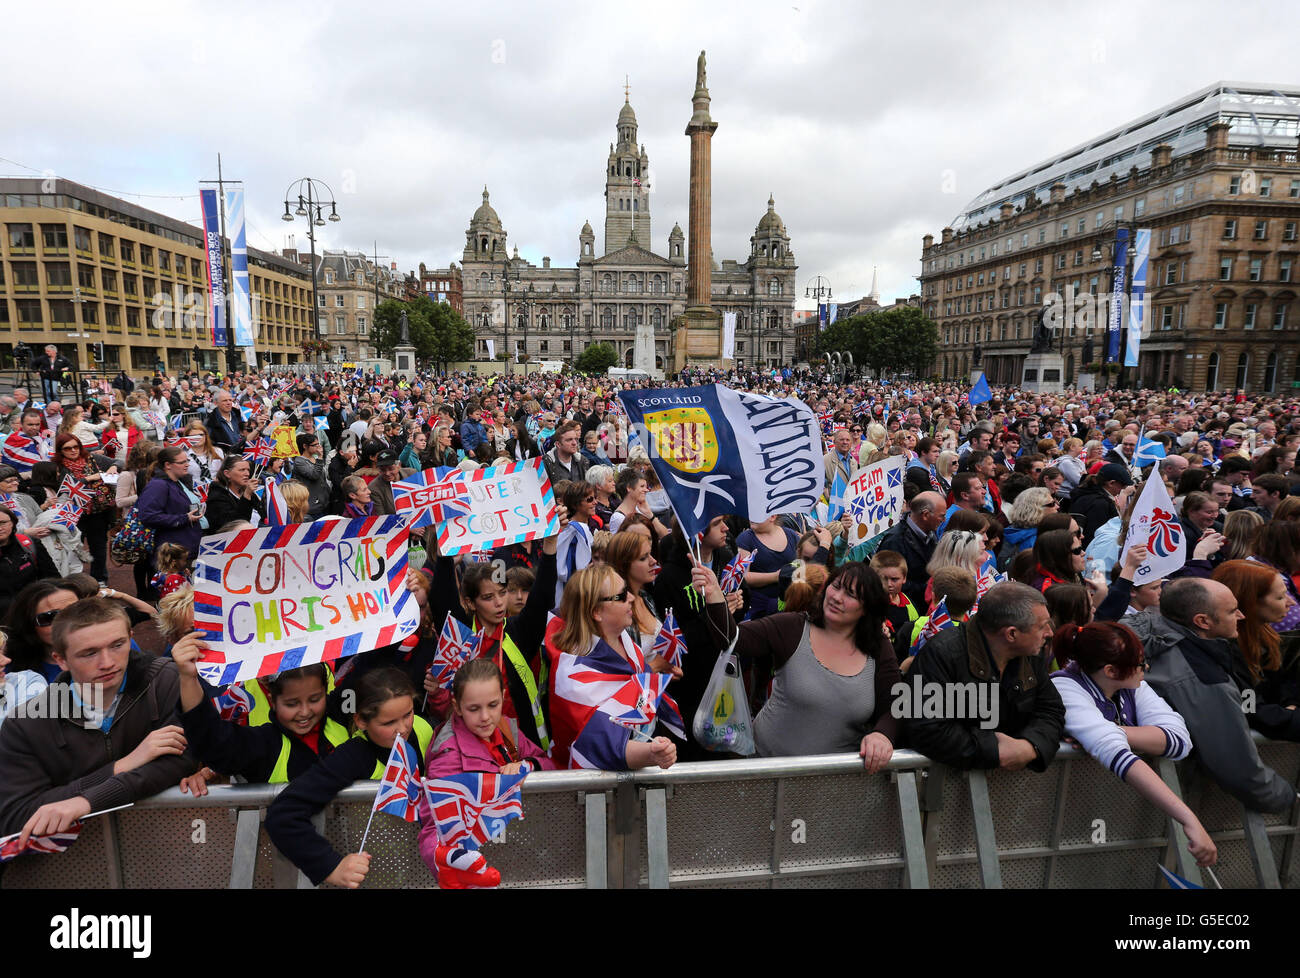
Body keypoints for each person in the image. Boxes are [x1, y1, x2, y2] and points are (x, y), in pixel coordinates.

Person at [0, 598, 197, 840]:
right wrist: (121, 767)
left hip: (170, 844)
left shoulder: (165, 679)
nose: (107, 663)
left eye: (117, 645)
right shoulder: (25, 723)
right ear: (61, 660)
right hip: (79, 864)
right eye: (89, 653)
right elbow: (17, 815)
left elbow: (179, 761)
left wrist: (84, 802)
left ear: (131, 637)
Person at [688, 559, 900, 767]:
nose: (837, 597)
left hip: (835, 783)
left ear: (867, 608)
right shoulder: (793, 627)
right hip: (766, 772)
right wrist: (714, 593)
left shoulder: (879, 647)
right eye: (836, 587)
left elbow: (894, 705)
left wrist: (882, 735)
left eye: (850, 594)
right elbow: (731, 639)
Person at [1123, 578, 1297, 813]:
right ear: (1202, 621)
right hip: (1142, 810)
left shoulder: (1143, 632)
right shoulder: (1199, 679)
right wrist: (1286, 797)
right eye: (1232, 611)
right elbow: (1235, 767)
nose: (1241, 616)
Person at [1049, 622, 1215, 867]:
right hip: (1057, 819)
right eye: (1139, 664)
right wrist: (1189, 819)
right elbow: (1116, 753)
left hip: (1112, 816)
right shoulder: (1064, 686)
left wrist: (1113, 730)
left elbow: (1180, 741)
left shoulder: (1132, 686)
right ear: (1111, 671)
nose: (1145, 668)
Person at [265, 668, 434, 888]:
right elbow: (283, 813)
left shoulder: (424, 728)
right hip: (374, 876)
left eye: (408, 714)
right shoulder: (353, 756)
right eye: (388, 723)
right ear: (361, 721)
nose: (403, 728)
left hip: (424, 869)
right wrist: (331, 866)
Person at [415, 658, 556, 888]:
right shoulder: (448, 754)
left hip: (519, 855)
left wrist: (527, 766)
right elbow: (434, 826)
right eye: (474, 708)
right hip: (480, 866)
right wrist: (451, 865)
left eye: (493, 704)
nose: (485, 717)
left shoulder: (507, 727)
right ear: (457, 706)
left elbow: (549, 765)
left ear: (502, 696)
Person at [906, 582, 1064, 772]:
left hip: (1008, 790)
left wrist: (1030, 747)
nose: (1049, 633)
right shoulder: (942, 654)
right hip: (946, 789)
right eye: (1042, 627)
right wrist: (994, 750)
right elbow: (927, 729)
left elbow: (1051, 710)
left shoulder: (1030, 655)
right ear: (1011, 634)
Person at [548, 564, 680, 770]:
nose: (632, 598)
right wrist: (652, 753)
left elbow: (641, 696)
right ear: (597, 612)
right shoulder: (573, 675)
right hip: (588, 792)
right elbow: (601, 746)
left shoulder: (628, 644)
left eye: (627, 590)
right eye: (620, 596)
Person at [1212, 560, 1300, 742]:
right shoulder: (1226, 651)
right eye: (1280, 597)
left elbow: (1279, 681)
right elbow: (1250, 708)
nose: (1291, 602)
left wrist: (1290, 704)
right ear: (1250, 603)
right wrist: (1290, 717)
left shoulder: (1265, 636)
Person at [52, 433, 116, 584]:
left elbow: (118, 461)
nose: (73, 451)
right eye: (68, 448)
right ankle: (74, 581)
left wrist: (113, 466)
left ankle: (99, 580)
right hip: (74, 513)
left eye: (76, 447)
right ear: (60, 450)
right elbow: (64, 486)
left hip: (97, 511)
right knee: (72, 548)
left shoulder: (92, 458)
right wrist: (89, 478)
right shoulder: (57, 466)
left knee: (98, 547)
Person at [137, 445, 207, 562]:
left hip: (185, 549)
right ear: (168, 465)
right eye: (181, 462)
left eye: (187, 461)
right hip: (172, 553)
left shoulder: (177, 482)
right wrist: (184, 518)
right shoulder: (158, 485)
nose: (187, 465)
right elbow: (148, 516)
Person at [875, 491, 944, 608]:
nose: (943, 520)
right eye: (941, 516)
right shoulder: (895, 540)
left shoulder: (931, 534)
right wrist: (927, 587)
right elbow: (886, 581)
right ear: (926, 515)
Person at [735, 514, 800, 620]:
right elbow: (743, 576)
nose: (752, 517)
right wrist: (776, 576)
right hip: (759, 610)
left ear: (772, 516)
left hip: (789, 606)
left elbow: (801, 564)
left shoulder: (791, 535)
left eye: (757, 513)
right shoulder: (745, 538)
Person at [0, 506, 61, 620]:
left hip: (32, 613)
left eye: (3, 522)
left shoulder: (29, 544)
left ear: (12, 523)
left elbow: (53, 578)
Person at [1068, 463, 1136, 547]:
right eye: (1123, 485)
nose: (1124, 488)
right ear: (1111, 483)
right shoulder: (1099, 504)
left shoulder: (1089, 495)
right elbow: (1097, 535)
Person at [203, 455, 261, 533]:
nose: (247, 474)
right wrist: (246, 495)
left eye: (248, 470)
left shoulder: (249, 492)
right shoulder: (217, 494)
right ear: (227, 474)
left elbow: (264, 516)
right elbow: (235, 524)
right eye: (242, 470)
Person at [290, 434, 331, 519]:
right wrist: (320, 458)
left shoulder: (315, 459)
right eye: (314, 445)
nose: (318, 447)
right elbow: (314, 475)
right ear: (305, 446)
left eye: (318, 444)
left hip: (323, 504)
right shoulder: (299, 462)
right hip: (311, 507)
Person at [543, 420, 590, 485]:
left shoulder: (582, 461)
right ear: (558, 444)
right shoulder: (546, 464)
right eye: (569, 440)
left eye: (575, 439)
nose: (574, 443)